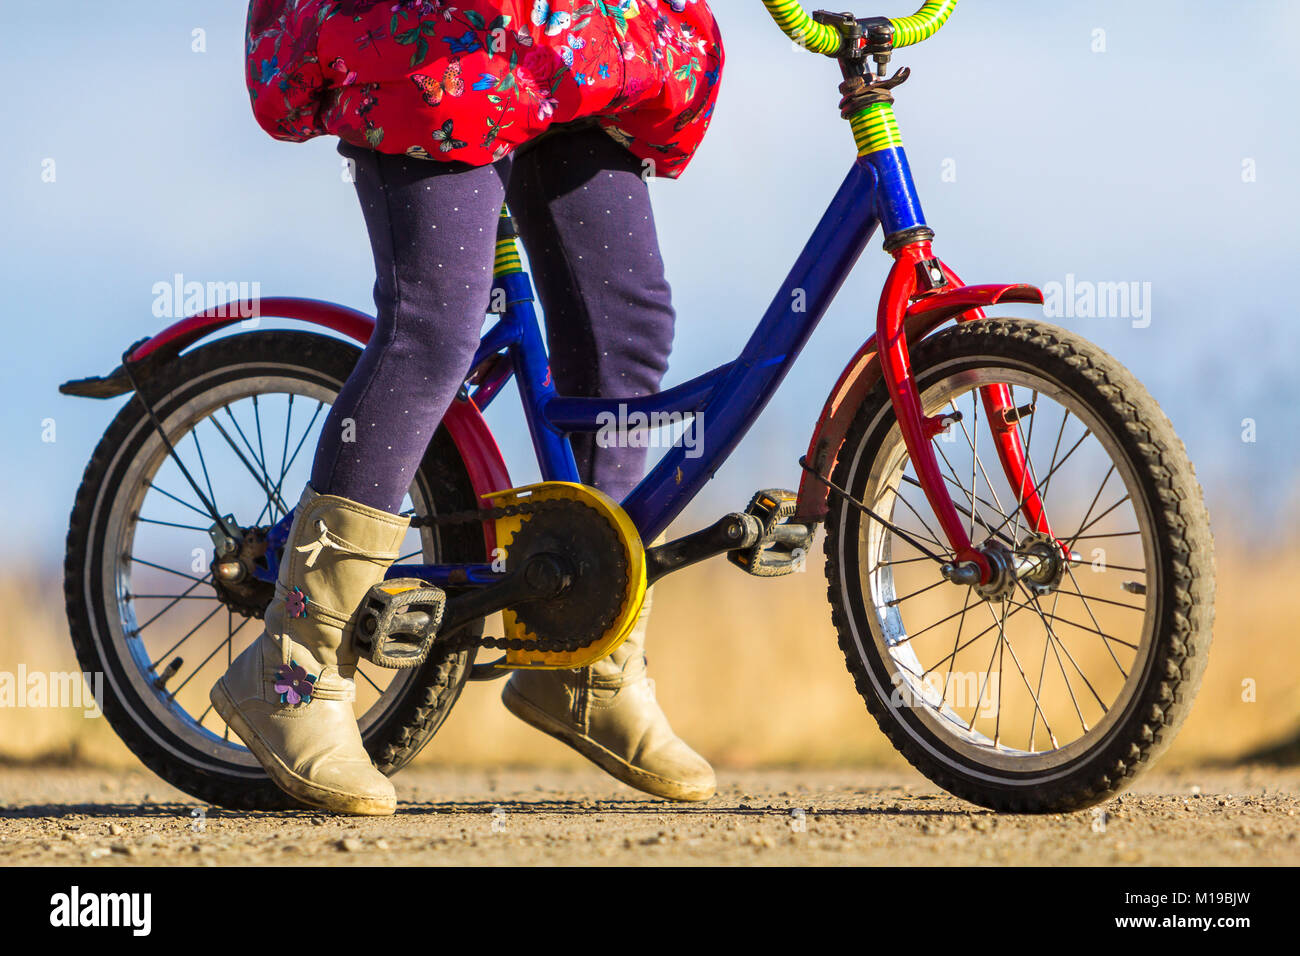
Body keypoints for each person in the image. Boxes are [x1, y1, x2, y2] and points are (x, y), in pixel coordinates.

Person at [210, 0, 725, 815]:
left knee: (628, 325)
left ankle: (584, 650)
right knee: (434, 326)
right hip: (438, 43)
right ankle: (292, 666)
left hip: (577, 42)